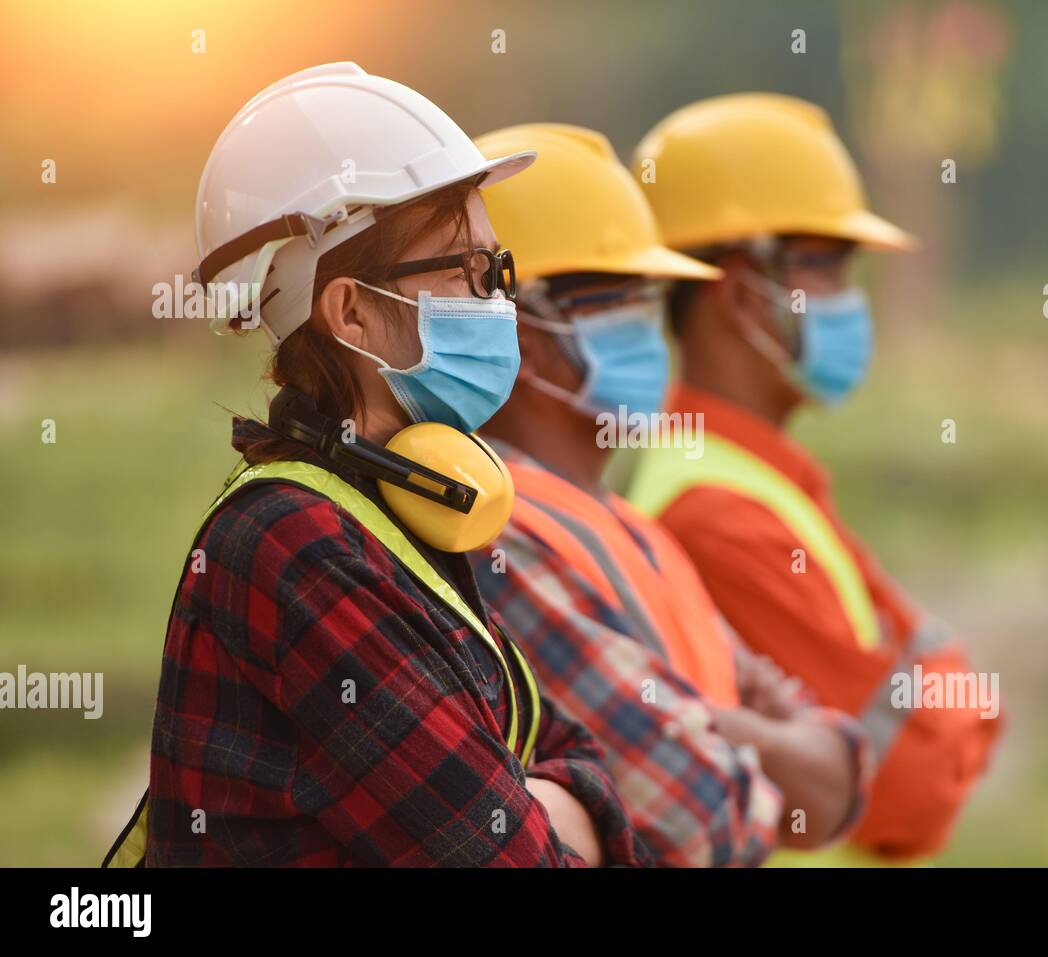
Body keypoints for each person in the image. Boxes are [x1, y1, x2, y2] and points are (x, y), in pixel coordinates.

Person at [105, 64, 648, 868]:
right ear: (350, 308)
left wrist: (552, 795)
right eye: (467, 270)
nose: (497, 300)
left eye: (497, 271)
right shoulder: (299, 545)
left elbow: (563, 746)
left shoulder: (393, 505)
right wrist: (549, 803)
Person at [467, 123, 872, 867]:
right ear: (515, 325)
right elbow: (703, 815)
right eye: (609, 297)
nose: (643, 326)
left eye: (642, 297)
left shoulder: (629, 528)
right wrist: (749, 734)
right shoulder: (496, 530)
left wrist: (719, 730)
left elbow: (837, 783)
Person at [626, 94, 1002, 864]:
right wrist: (947, 683)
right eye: (827, 267)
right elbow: (914, 791)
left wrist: (944, 693)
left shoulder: (759, 476)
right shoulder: (714, 512)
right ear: (738, 293)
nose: (850, 300)